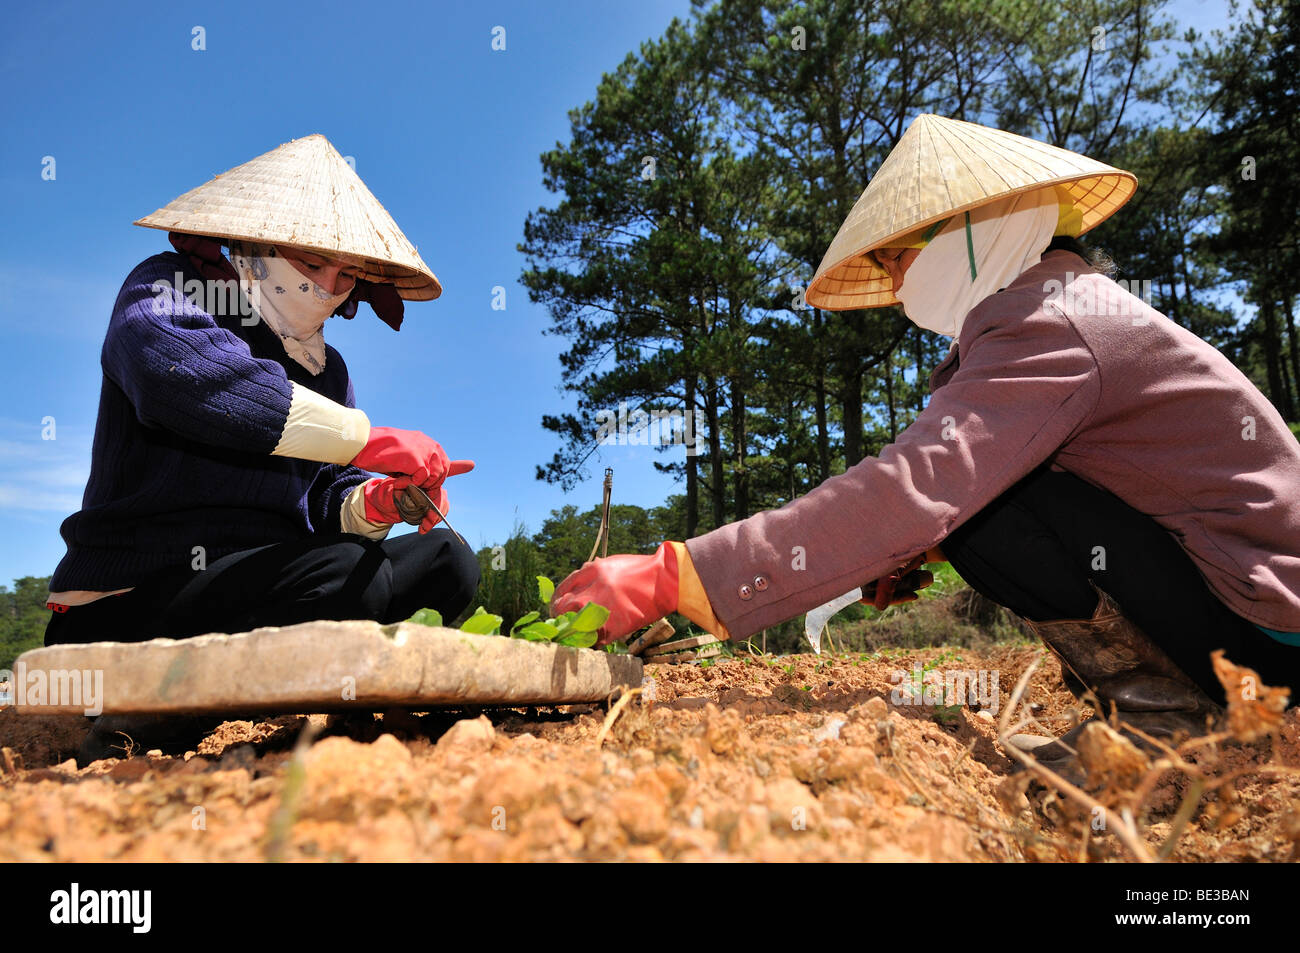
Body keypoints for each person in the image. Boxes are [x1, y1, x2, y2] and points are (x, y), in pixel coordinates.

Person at [552, 114, 1300, 764]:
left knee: (971, 505)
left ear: (971, 229)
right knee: (970, 513)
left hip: (1269, 635)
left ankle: (1169, 719)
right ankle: (1165, 707)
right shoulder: (1057, 305)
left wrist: (675, 577)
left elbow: (917, 484)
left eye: (897, 254)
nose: (897, 279)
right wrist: (915, 551)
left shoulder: (1052, 321)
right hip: (1250, 614)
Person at [44, 134, 479, 647]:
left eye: (347, 276)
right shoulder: (171, 285)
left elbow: (323, 496)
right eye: (314, 264)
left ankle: (315, 676)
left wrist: (377, 501)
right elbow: (171, 374)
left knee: (449, 562)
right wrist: (364, 439)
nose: (328, 288)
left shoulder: (327, 368)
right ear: (258, 243)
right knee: (344, 575)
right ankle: (150, 711)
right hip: (134, 592)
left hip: (267, 579)